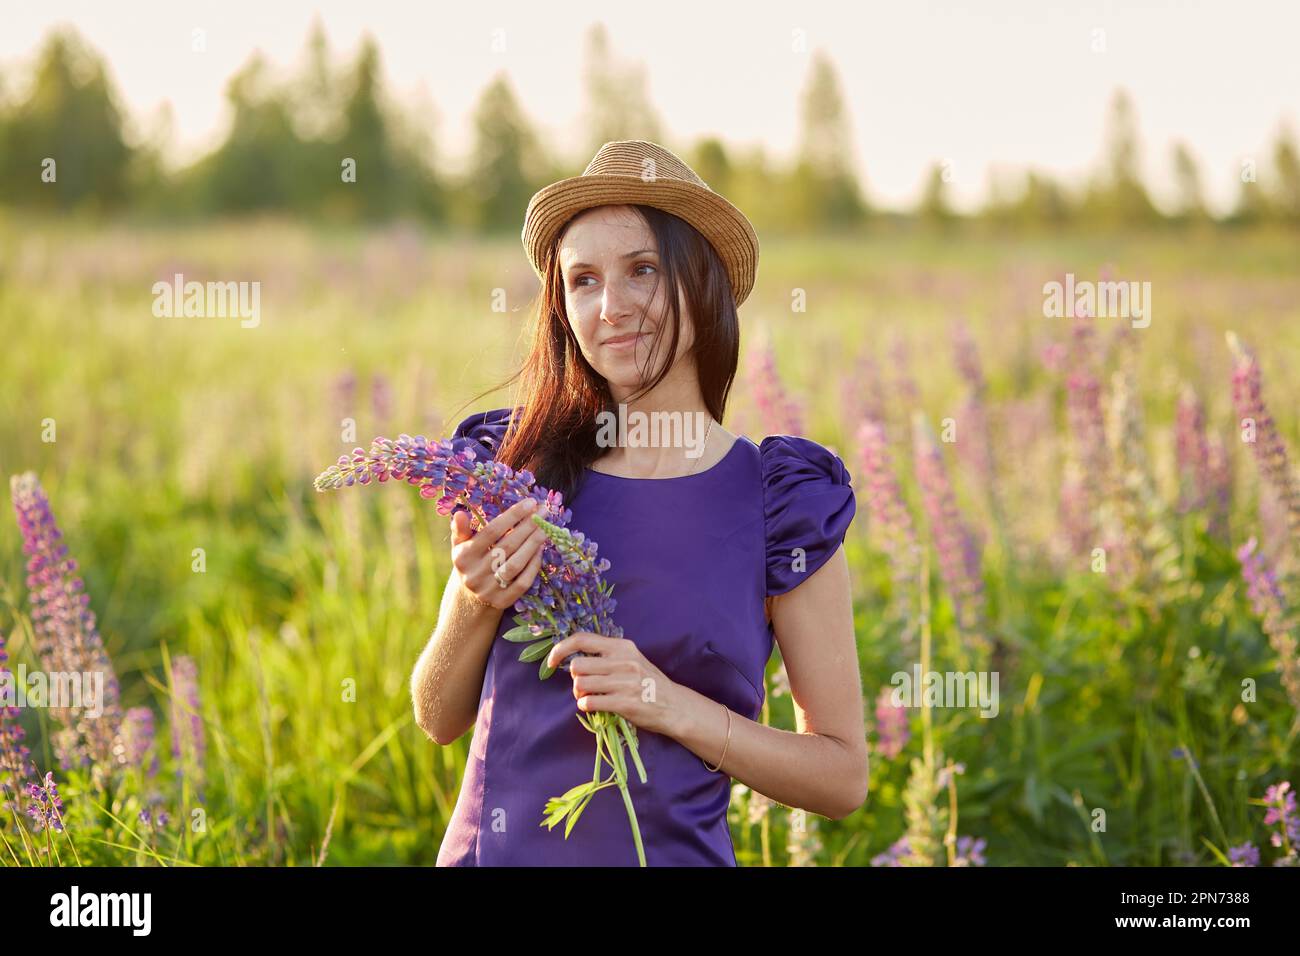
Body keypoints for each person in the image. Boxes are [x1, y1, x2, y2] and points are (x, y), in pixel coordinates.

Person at [411, 140, 866, 866]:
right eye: (583, 281)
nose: (611, 308)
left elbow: (842, 775)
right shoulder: (519, 472)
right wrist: (473, 602)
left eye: (642, 271)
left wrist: (671, 706)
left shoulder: (780, 503)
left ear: (701, 281)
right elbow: (437, 717)